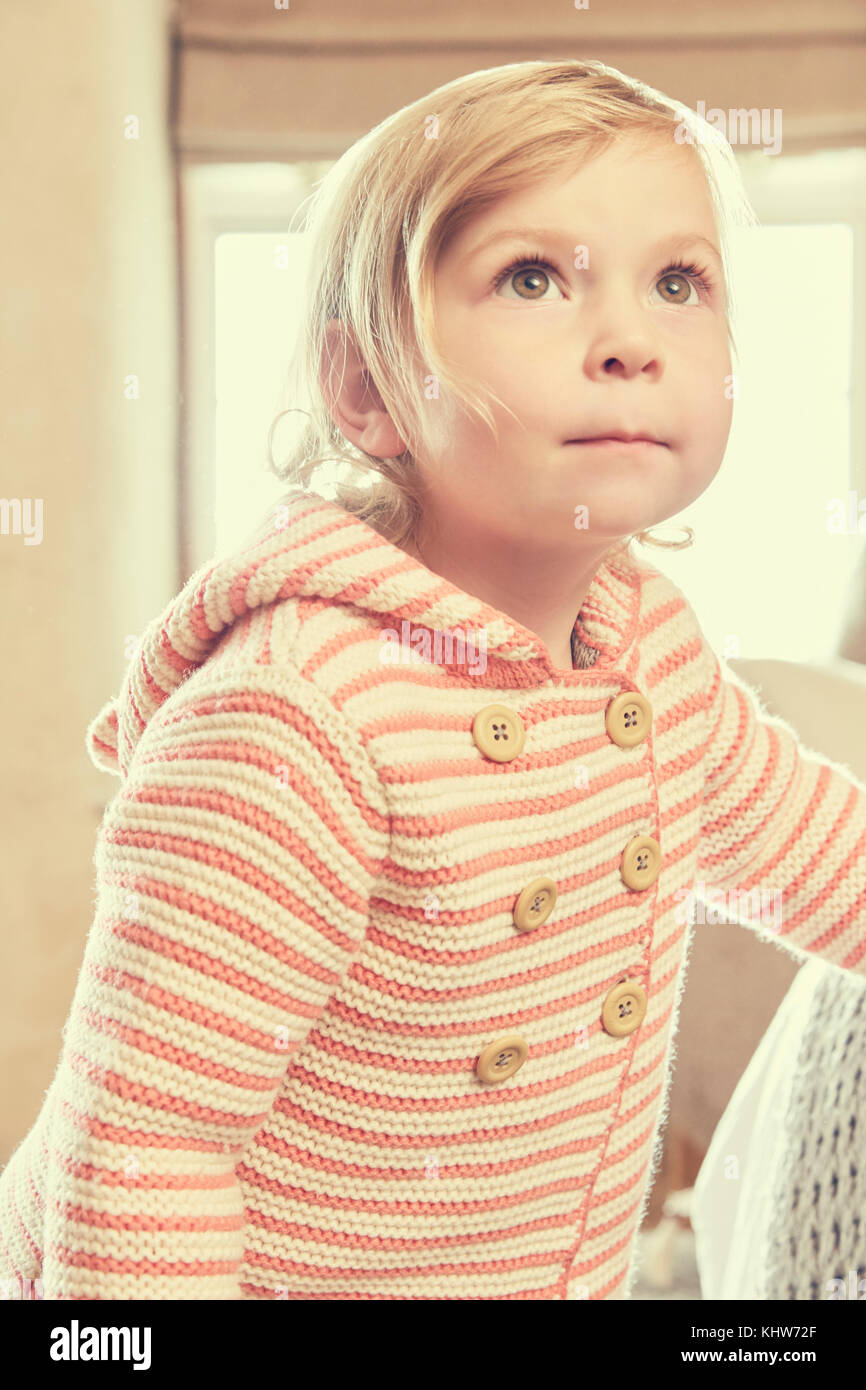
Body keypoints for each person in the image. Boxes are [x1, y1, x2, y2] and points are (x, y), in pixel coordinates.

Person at [1, 57, 865, 1301]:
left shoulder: (649, 656)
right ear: (366, 391)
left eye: (676, 281)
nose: (627, 340)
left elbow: (821, 857)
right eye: (530, 277)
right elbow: (142, 1151)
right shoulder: (293, 718)